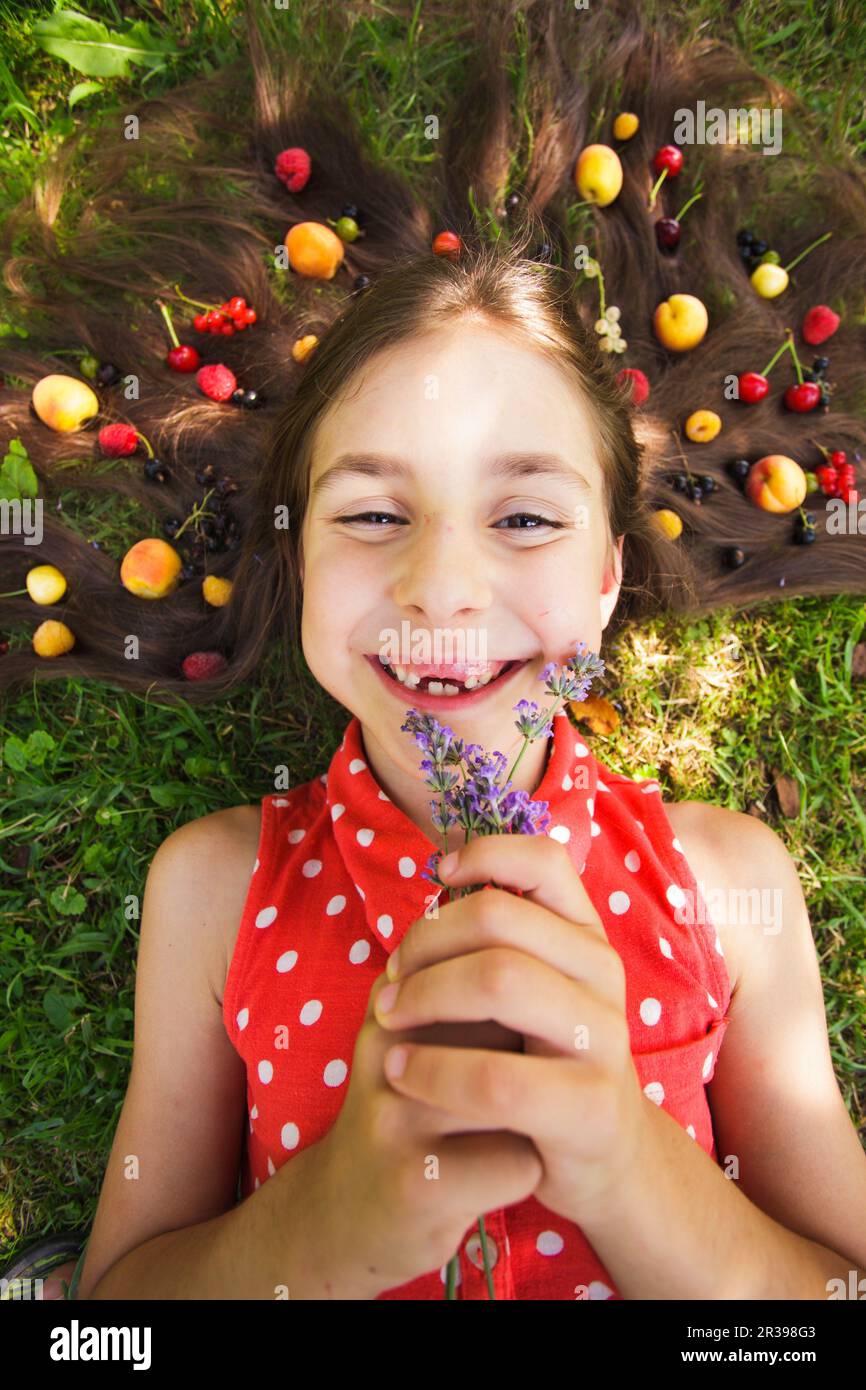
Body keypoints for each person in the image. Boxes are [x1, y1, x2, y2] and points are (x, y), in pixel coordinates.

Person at [1, 0, 864, 1300]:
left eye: (522, 515)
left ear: (609, 572)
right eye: (371, 513)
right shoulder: (211, 889)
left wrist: (627, 1163)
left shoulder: (726, 882)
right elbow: (111, 1324)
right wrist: (323, 1224)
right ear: (301, 560)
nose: (442, 584)